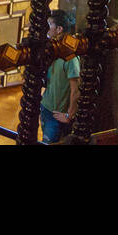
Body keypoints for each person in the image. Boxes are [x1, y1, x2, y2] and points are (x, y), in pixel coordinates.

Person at [41, 9, 80, 144]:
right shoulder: (52, 50)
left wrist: (69, 115)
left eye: (50, 24)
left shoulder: (70, 58)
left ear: (59, 29)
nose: (47, 28)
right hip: (46, 107)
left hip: (57, 115)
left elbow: (76, 90)